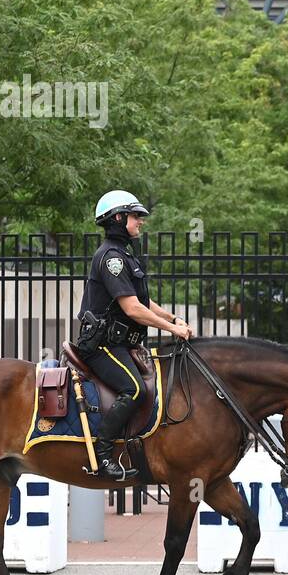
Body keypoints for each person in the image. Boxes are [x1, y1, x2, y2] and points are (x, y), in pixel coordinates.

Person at [76, 190, 193, 481]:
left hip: (120, 344)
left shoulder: (126, 256)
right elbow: (132, 310)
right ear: (118, 218)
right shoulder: (111, 259)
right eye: (135, 216)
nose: (140, 222)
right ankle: (103, 454)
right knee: (134, 389)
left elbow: (141, 302)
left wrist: (173, 317)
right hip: (101, 346)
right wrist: (172, 329)